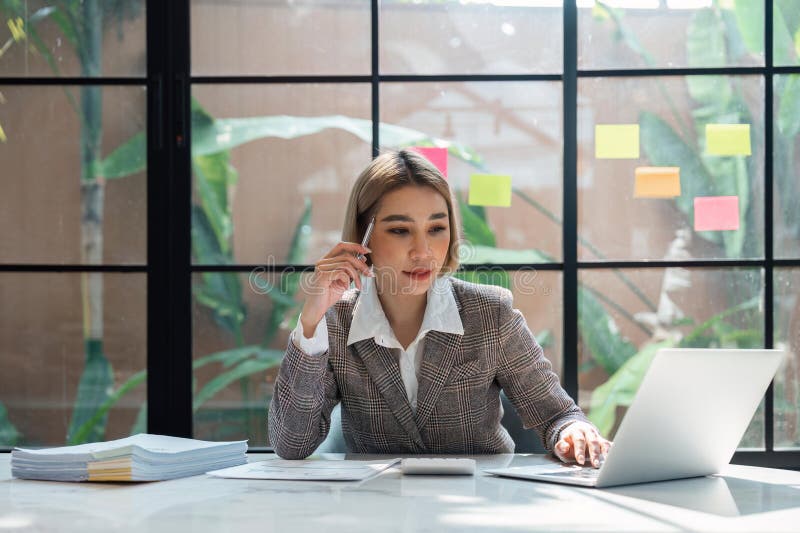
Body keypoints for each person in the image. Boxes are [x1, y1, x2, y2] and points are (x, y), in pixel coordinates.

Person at [268, 149, 611, 466]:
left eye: (436, 229)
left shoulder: (490, 314)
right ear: (364, 235)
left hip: (482, 506)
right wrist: (312, 318)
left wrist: (572, 433)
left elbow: (557, 415)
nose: (423, 251)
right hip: (376, 511)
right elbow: (291, 444)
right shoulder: (337, 322)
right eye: (400, 230)